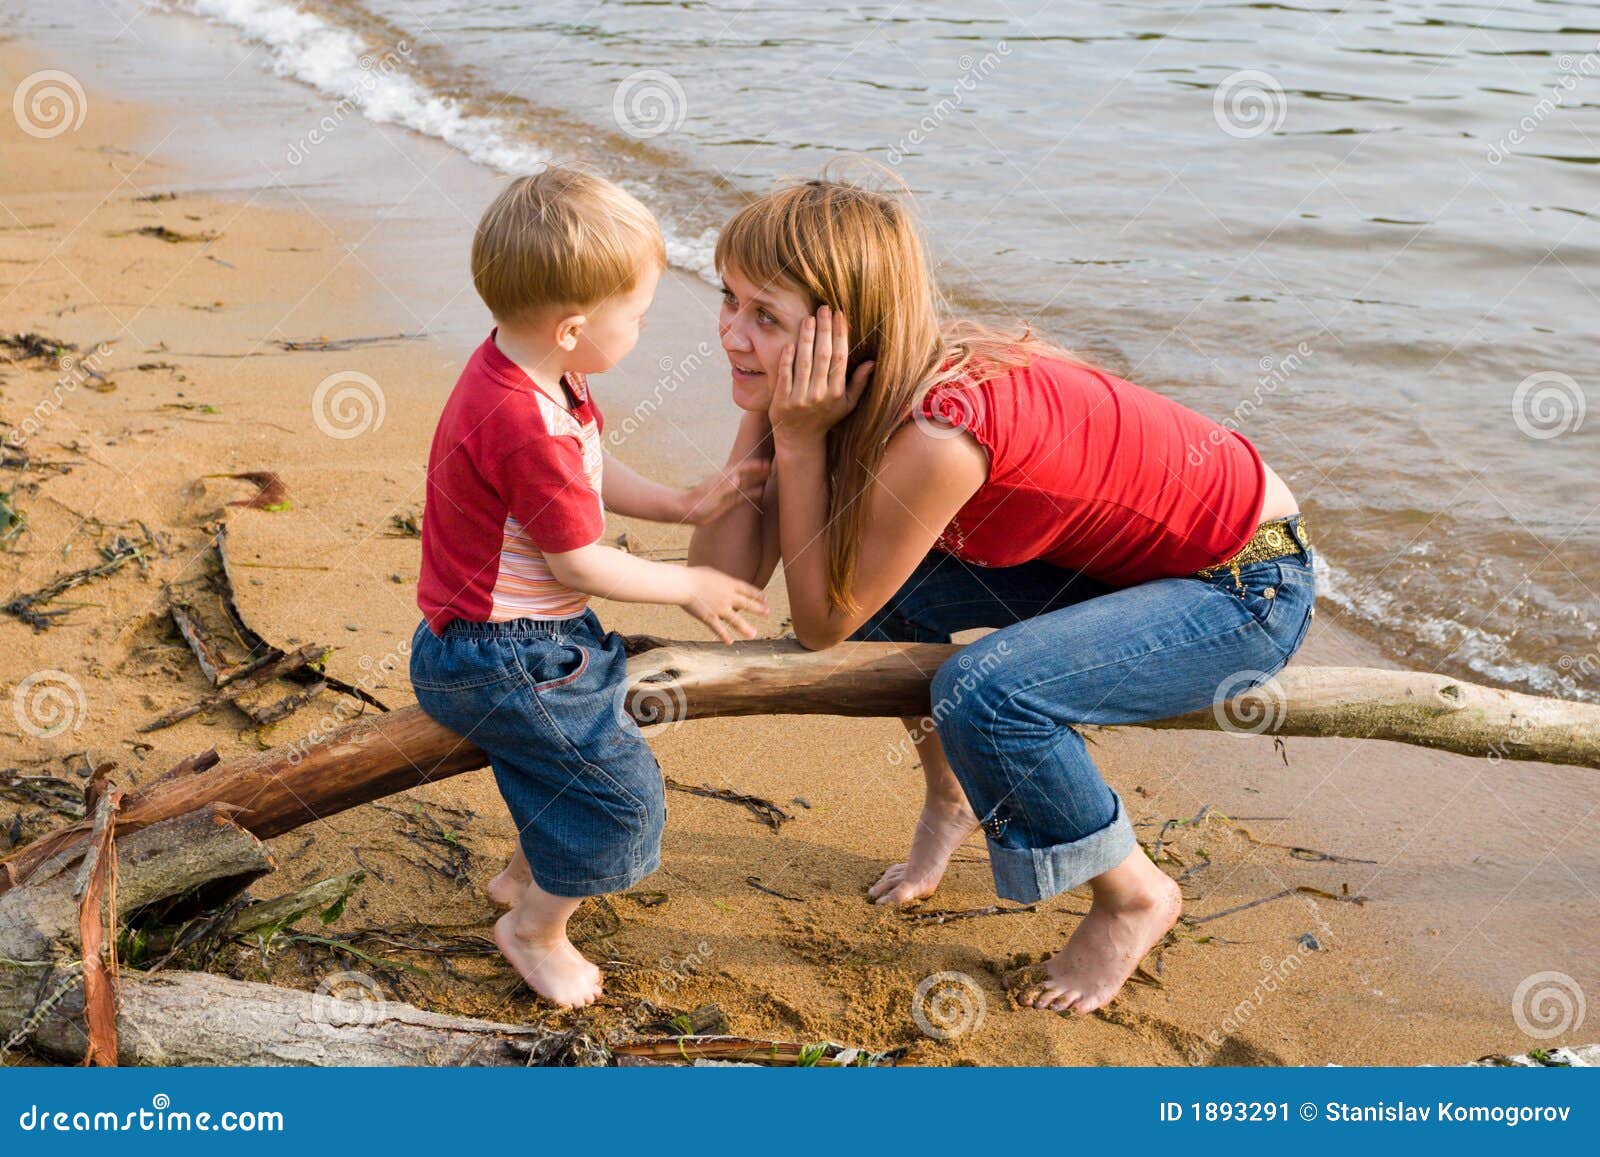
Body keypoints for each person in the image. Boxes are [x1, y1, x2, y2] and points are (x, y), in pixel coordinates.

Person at [690, 174, 1315, 1015]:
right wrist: (763, 413)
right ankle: (952, 796)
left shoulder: (941, 432)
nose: (730, 331)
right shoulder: (852, 378)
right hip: (1133, 564)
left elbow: (818, 623)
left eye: (764, 316)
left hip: (1245, 585)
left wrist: (797, 440)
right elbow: (725, 584)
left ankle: (1133, 892)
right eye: (728, 299)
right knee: (884, 592)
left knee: (984, 689)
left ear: (849, 329)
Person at [409, 168, 769, 1007]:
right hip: (496, 655)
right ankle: (533, 925)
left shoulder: (525, 371)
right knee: (621, 796)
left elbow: (586, 477)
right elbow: (579, 562)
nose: (646, 328)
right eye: (638, 316)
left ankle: (521, 874)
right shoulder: (525, 422)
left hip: (500, 639)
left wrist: (682, 503)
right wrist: (690, 583)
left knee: (571, 753)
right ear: (574, 327)